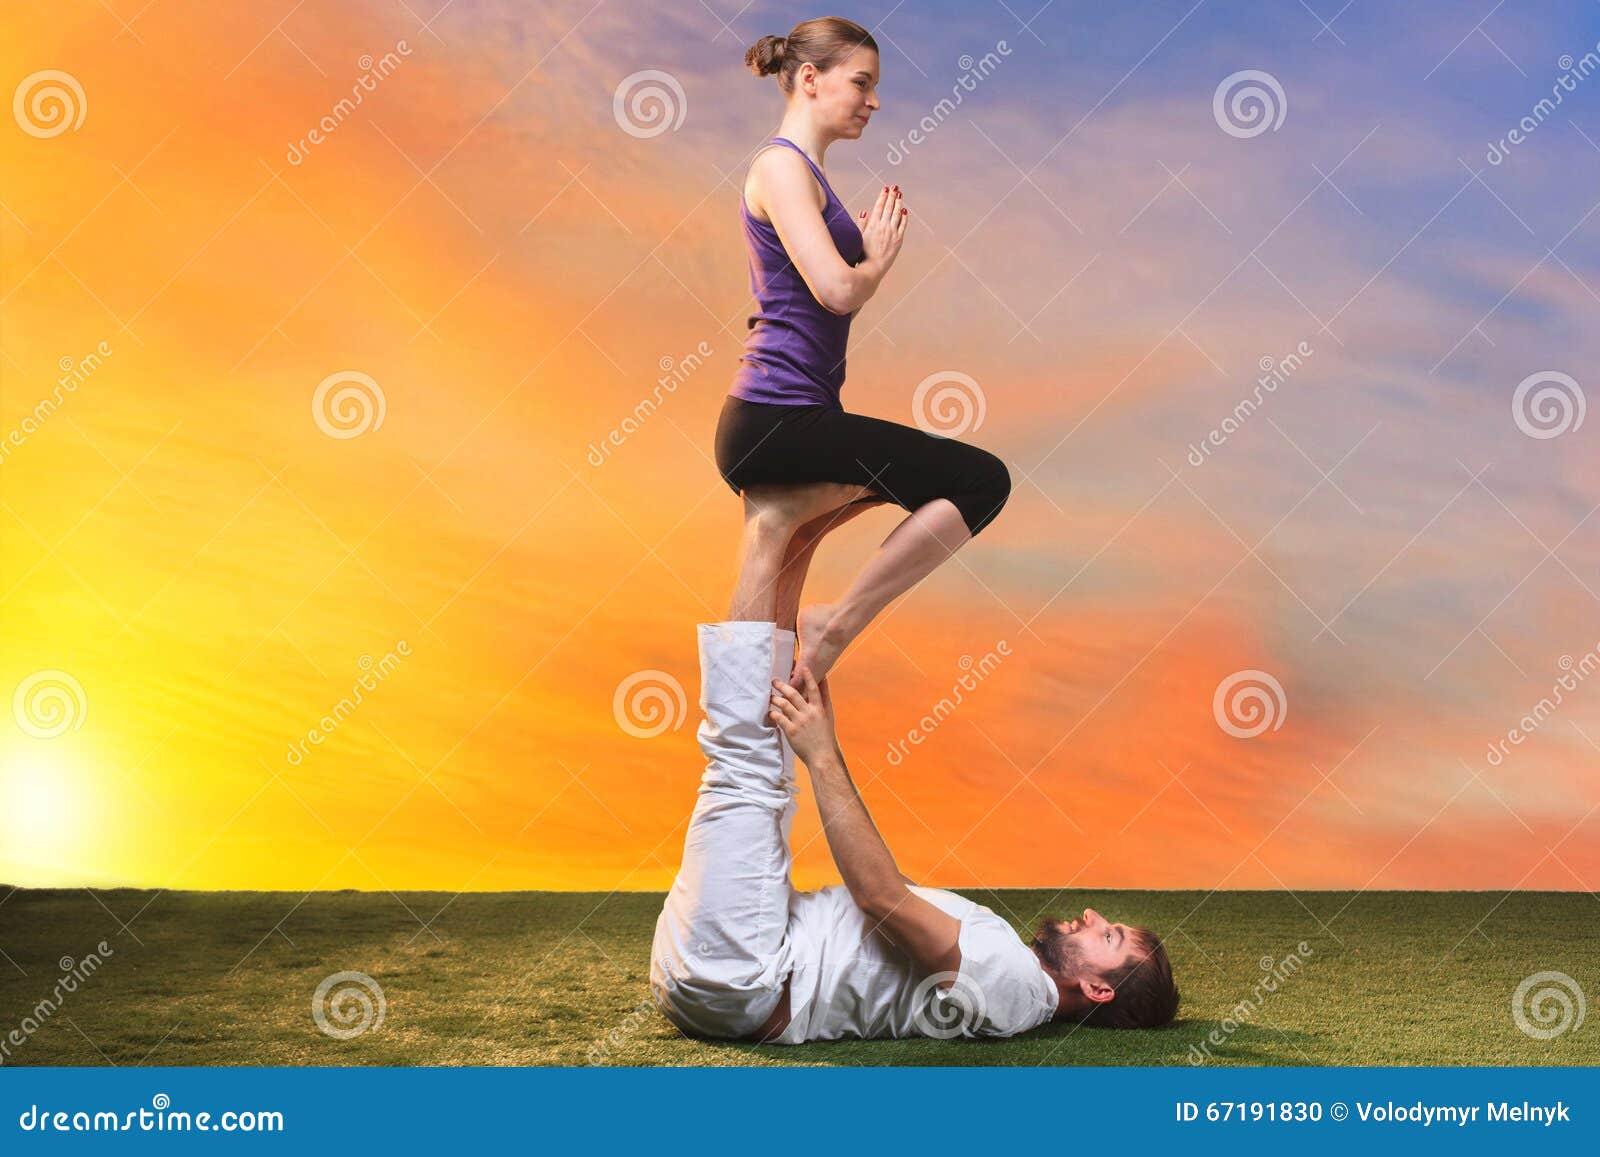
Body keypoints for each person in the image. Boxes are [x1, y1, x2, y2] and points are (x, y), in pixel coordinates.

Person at [649, 621, 1180, 1044]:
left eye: (1107, 936)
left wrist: (823, 754)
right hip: (747, 962)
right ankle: (793, 534)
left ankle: (772, 526)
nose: (1091, 916)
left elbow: (881, 898)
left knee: (744, 760)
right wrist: (819, 743)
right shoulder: (1012, 968)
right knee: (765, 746)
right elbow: (895, 887)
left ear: (1095, 990)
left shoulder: (1014, 986)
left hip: (742, 973)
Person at [718, 17, 1014, 684]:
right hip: (775, 418)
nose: (874, 101)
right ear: (810, 80)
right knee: (979, 480)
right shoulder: (779, 167)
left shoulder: (806, 174)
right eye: (863, 83)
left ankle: (751, 737)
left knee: (779, 547)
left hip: (785, 415)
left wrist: (867, 267)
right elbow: (833, 288)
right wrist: (875, 264)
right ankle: (837, 623)